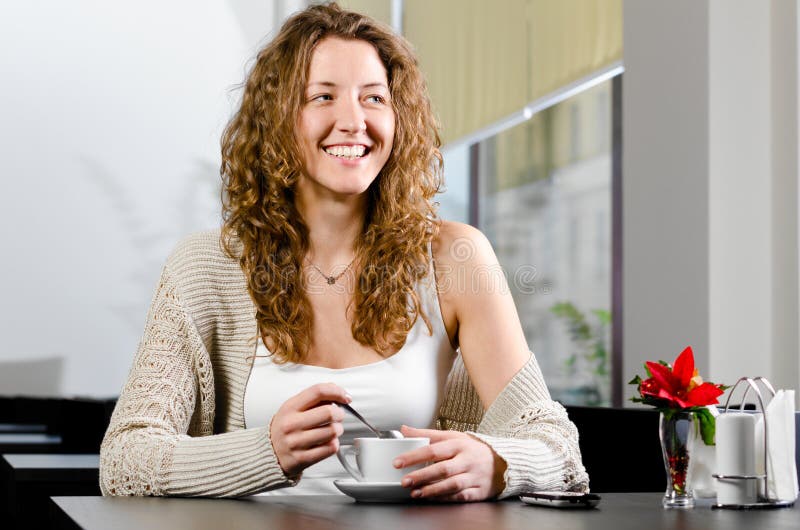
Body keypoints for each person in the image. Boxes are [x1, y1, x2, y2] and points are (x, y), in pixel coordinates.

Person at [99, 2, 589, 501]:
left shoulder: (455, 258)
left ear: (400, 118)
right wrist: (264, 451)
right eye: (323, 96)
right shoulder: (206, 268)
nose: (353, 121)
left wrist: (498, 463)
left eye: (374, 98)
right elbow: (125, 461)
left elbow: (557, 448)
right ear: (279, 119)